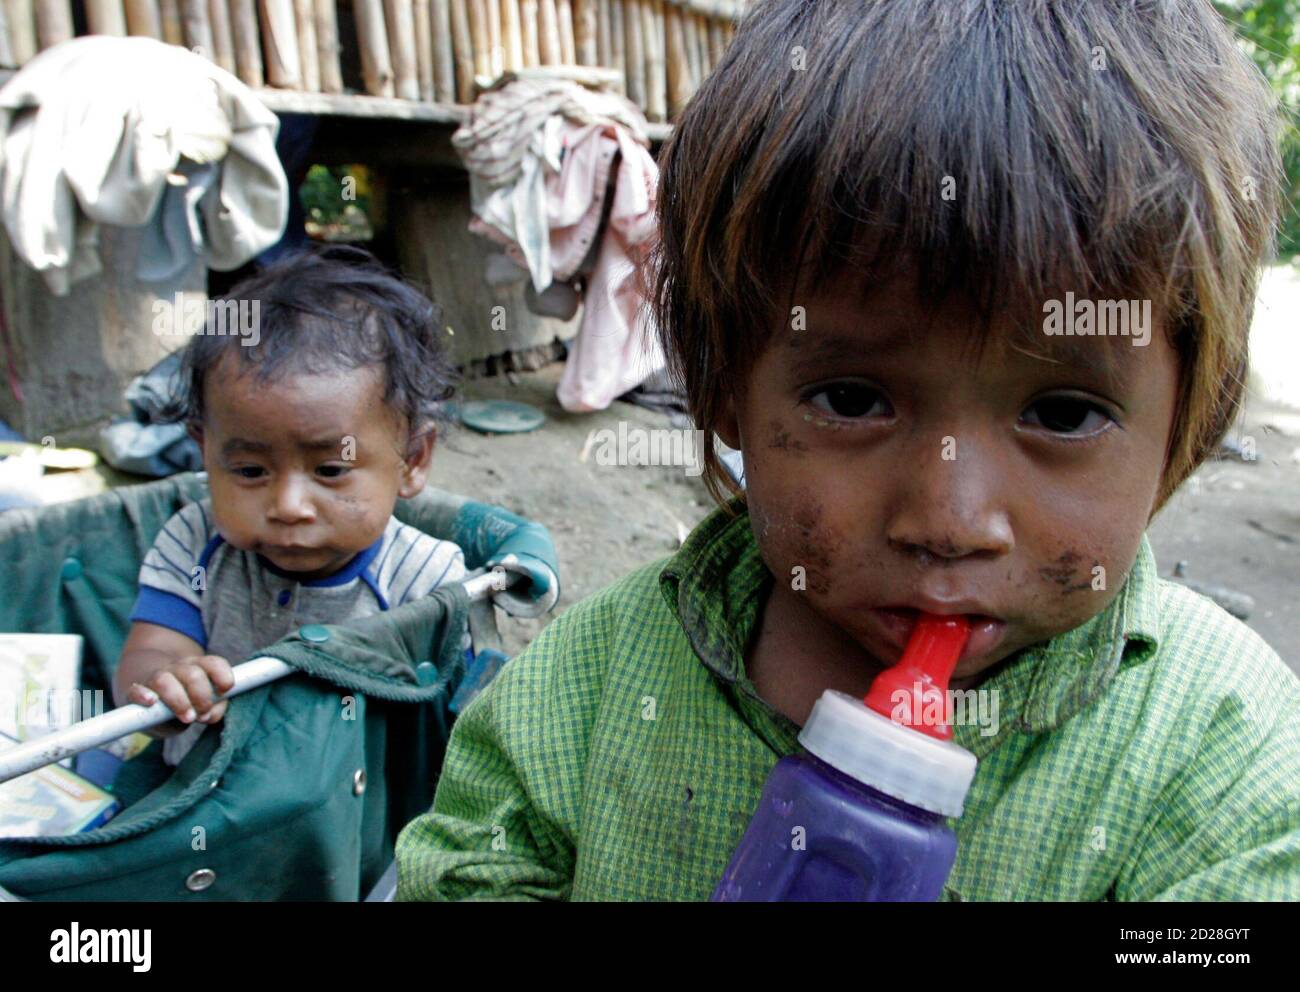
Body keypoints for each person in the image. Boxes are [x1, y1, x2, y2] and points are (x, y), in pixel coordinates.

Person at [396, 0, 1300, 900]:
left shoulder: (1225, 750)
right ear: (722, 394)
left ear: (1192, 422)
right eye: (853, 399)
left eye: (1064, 415)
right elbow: (466, 869)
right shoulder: (592, 686)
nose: (949, 522)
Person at [113, 247, 465, 764]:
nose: (289, 506)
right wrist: (163, 685)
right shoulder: (193, 543)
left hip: (350, 816)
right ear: (204, 450)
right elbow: (151, 650)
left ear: (411, 460)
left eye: (329, 470)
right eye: (251, 471)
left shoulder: (426, 581)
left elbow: (455, 720)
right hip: (201, 801)